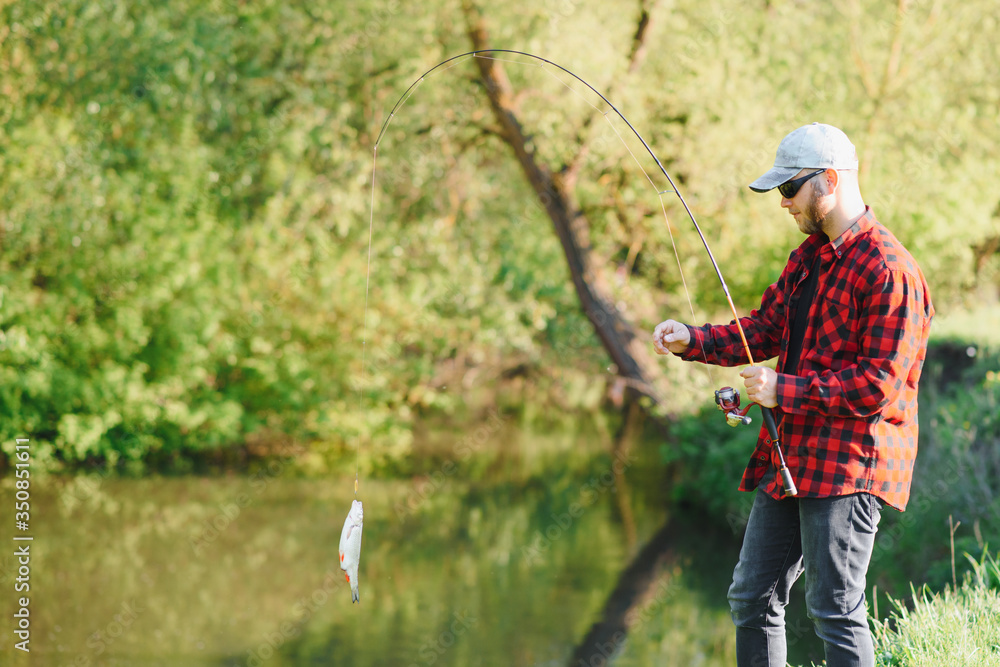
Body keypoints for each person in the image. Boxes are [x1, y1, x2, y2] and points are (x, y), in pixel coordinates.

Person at [652, 122, 934, 667]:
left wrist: (785, 389)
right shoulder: (808, 258)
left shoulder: (890, 271)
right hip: (792, 455)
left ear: (828, 181)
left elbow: (878, 384)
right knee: (752, 597)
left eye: (789, 189)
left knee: (834, 608)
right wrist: (693, 340)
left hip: (851, 465)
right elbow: (764, 329)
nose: (783, 204)